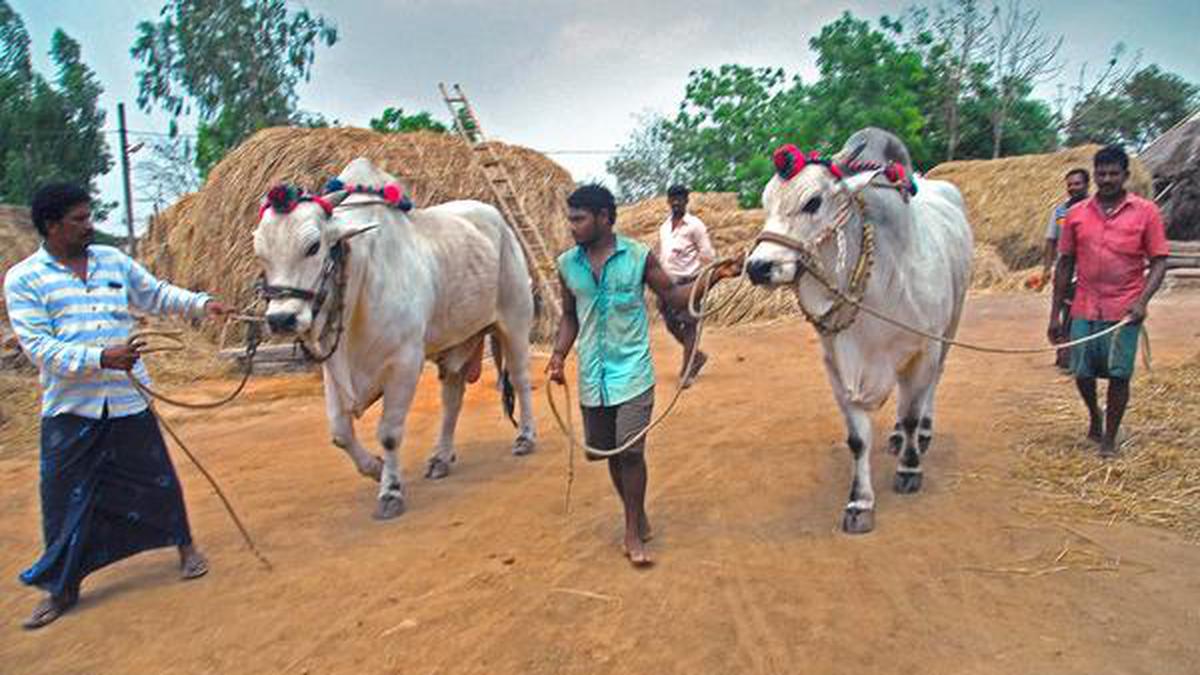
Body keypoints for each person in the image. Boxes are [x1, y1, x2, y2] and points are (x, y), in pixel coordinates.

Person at [5, 183, 231, 629]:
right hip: (71, 409)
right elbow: (38, 348)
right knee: (61, 500)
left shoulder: (112, 261)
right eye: (80, 219)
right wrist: (100, 358)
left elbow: (156, 293)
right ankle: (62, 588)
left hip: (127, 400)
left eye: (90, 216)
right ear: (52, 226)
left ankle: (185, 548)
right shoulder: (24, 279)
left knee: (158, 481)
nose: (90, 225)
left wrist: (203, 305)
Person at [546, 185, 739, 567]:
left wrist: (715, 276)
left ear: (604, 218)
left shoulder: (638, 258)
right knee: (609, 453)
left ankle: (632, 529)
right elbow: (569, 315)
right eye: (571, 218)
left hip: (633, 371)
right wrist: (557, 355)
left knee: (631, 451)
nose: (572, 226)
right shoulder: (567, 264)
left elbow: (677, 298)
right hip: (592, 377)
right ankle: (637, 513)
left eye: (579, 218)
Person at [1047, 146, 1170, 458]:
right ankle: (1094, 415)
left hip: (1125, 309)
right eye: (1101, 173)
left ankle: (1109, 439)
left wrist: (1142, 302)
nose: (1107, 179)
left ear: (1126, 176)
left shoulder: (1146, 212)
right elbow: (1065, 263)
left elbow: (1158, 261)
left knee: (1119, 374)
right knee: (1082, 372)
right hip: (1084, 306)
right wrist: (1055, 315)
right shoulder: (1076, 215)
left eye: (1114, 173)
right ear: (1095, 176)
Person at [656, 185, 717, 387]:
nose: (676, 202)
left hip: (689, 281)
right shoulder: (664, 227)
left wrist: (698, 275)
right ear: (668, 201)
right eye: (672, 198)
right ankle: (696, 356)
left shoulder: (695, 226)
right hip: (667, 283)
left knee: (689, 325)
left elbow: (708, 254)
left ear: (687, 200)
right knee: (671, 324)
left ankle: (687, 371)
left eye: (680, 198)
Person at [1041, 168, 1091, 370]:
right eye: (1069, 184)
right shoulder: (1060, 211)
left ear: (1087, 185)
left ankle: (1079, 356)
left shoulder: (1095, 208)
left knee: (1084, 314)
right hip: (1065, 269)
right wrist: (1047, 269)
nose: (1073, 188)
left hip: (1089, 269)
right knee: (1066, 310)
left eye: (1077, 184)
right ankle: (1065, 353)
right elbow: (1051, 240)